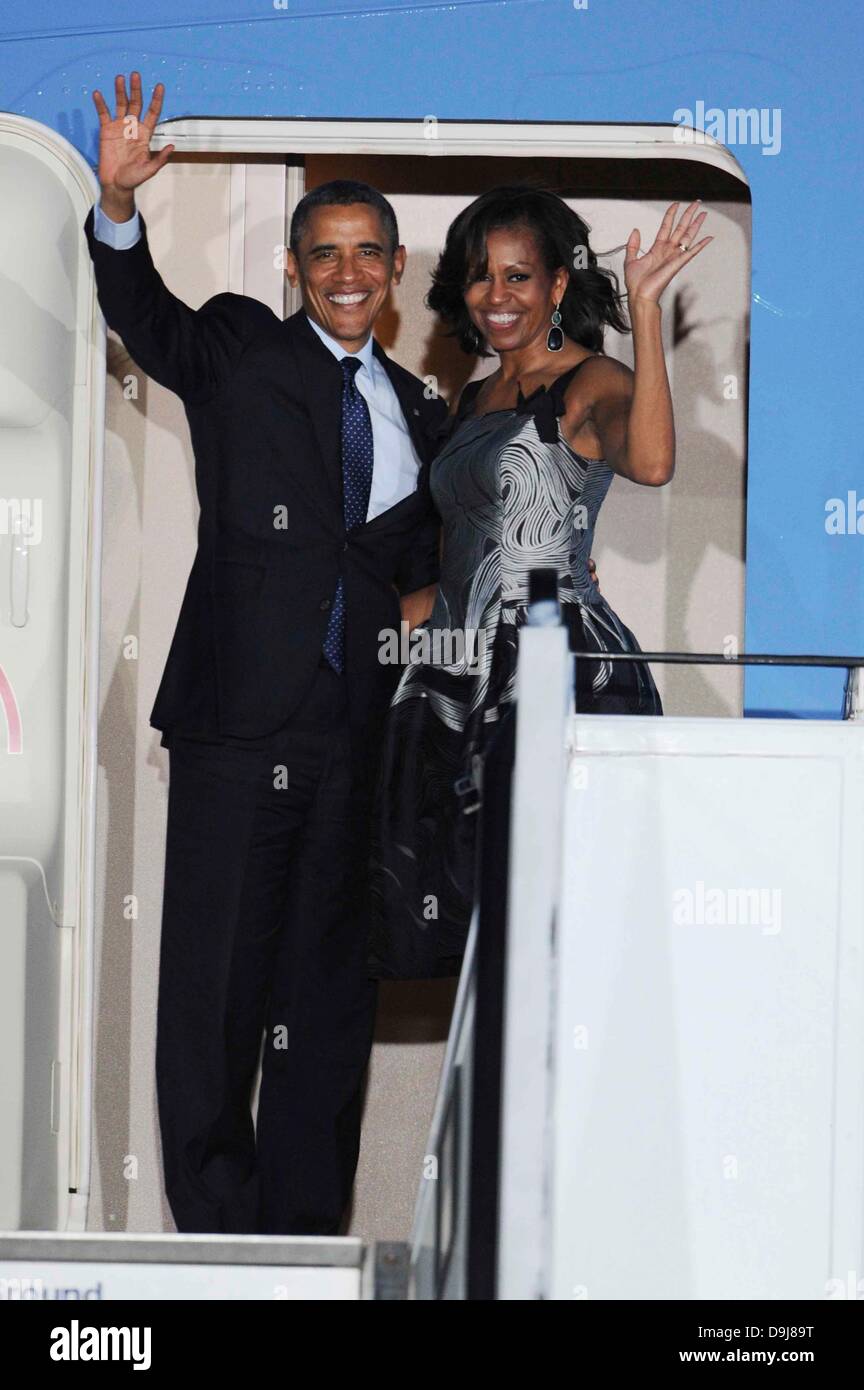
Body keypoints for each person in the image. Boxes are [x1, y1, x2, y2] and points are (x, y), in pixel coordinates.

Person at [84, 73, 445, 1234]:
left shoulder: (421, 409)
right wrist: (117, 205)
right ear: (295, 269)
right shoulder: (240, 348)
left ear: (394, 274)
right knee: (216, 994)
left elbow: (417, 561)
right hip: (239, 729)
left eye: (367, 254)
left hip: (355, 744)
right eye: (324, 253)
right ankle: (216, 1241)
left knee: (327, 1004)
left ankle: (299, 1240)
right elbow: (145, 314)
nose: (346, 271)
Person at [368, 185, 712, 981]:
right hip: (454, 678)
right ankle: (497, 1098)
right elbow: (461, 562)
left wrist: (648, 309)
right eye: (481, 276)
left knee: (560, 936)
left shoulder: (590, 381)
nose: (496, 296)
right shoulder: (471, 397)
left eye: (519, 276)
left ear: (559, 285)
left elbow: (654, 462)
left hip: (555, 674)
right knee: (474, 943)